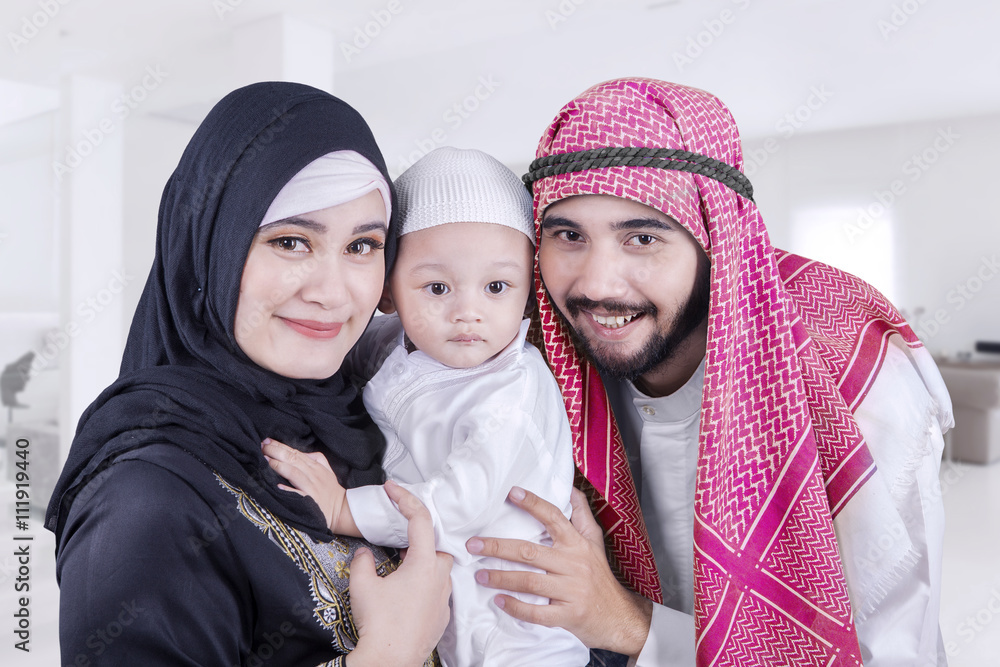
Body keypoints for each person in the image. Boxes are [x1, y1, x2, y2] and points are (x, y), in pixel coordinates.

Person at [468, 78, 953, 666]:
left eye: (642, 237)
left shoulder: (846, 373)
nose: (595, 284)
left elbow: (891, 655)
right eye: (568, 235)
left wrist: (624, 621)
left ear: (716, 239)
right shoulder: (537, 345)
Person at [44, 81, 453, 667]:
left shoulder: (372, 423)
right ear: (211, 247)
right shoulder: (145, 502)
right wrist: (391, 653)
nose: (333, 292)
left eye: (363, 247)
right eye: (291, 242)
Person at [264, 147, 590, 667]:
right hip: (444, 627)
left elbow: (461, 500)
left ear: (530, 296)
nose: (467, 312)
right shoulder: (396, 342)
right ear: (388, 292)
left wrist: (347, 509)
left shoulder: (511, 393)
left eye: (497, 287)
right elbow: (349, 353)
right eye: (436, 287)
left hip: (518, 638)